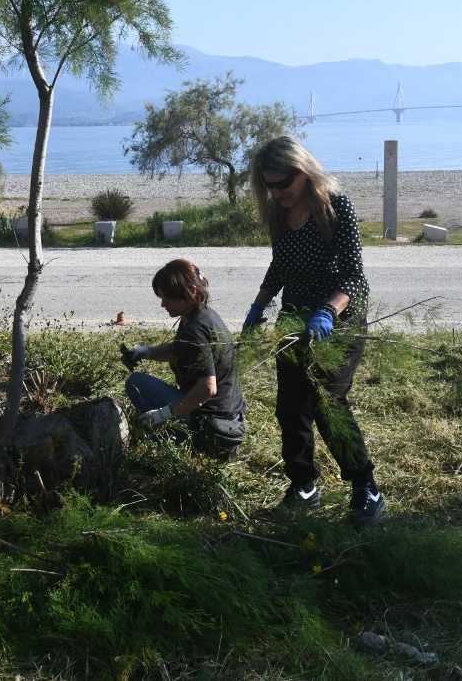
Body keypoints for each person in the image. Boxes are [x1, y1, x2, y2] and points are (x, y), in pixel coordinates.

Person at [243, 135, 388, 525]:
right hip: (293, 319)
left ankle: (366, 489)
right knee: (290, 406)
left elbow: (355, 276)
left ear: (303, 172)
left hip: (338, 321)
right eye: (269, 185)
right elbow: (280, 266)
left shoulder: (335, 207)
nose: (277, 192)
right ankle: (303, 486)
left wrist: (326, 311)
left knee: (327, 403)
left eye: (283, 183)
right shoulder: (277, 213)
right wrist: (260, 304)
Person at [122, 259, 247, 458]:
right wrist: (146, 352)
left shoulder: (195, 331)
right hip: (231, 420)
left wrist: (161, 414)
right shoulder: (203, 314)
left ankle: (175, 440)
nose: (163, 304)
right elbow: (181, 349)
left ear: (191, 292)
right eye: (161, 297)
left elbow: (207, 388)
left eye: (168, 298)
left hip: (212, 427)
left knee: (136, 383)